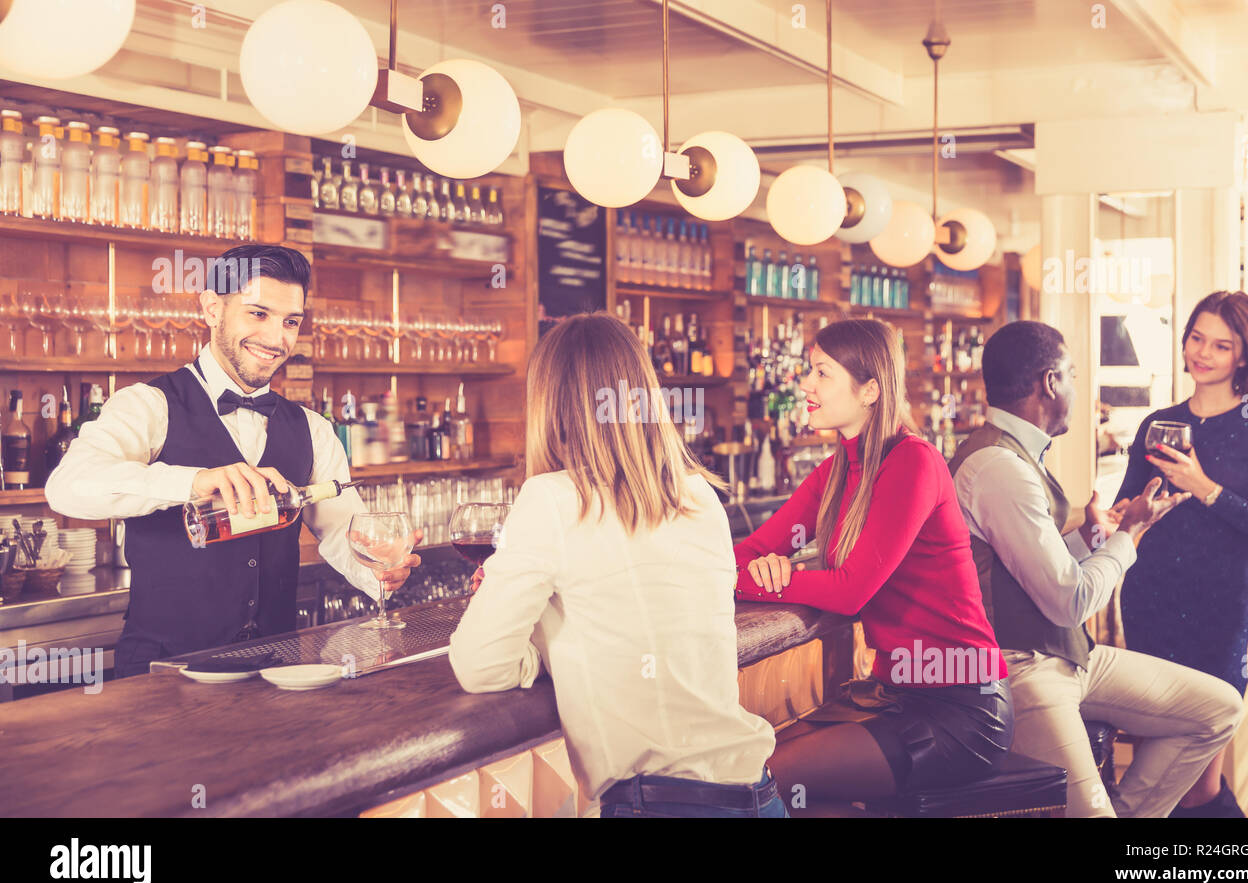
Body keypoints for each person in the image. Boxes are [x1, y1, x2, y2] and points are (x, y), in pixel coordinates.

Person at [448, 312, 782, 818]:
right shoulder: (699, 494)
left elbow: (479, 666)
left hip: (664, 805)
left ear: (548, 405)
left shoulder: (552, 499)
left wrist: (535, 650)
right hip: (757, 796)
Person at [45, 244, 421, 679]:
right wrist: (192, 482)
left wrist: (380, 568)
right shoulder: (147, 405)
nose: (277, 338)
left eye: (291, 321)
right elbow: (68, 487)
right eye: (258, 314)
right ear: (212, 308)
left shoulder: (313, 429)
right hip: (162, 672)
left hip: (278, 669)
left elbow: (343, 532)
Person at [951, 319, 1245, 817]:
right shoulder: (999, 467)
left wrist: (1092, 536)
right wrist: (1129, 538)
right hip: (1020, 669)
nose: (1076, 389)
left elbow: (1026, 565)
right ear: (1050, 382)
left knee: (1219, 708)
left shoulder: (1016, 456)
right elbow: (1070, 601)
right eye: (1071, 375)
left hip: (1069, 657)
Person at [733, 318, 1011, 816]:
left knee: (764, 779)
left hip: (962, 708)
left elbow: (850, 592)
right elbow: (743, 555)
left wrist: (777, 579)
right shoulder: (835, 472)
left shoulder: (914, 463)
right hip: (894, 694)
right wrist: (761, 571)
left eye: (821, 373)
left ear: (870, 390)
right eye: (808, 371)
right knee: (744, 762)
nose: (805, 385)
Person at [1116, 291, 1248, 816]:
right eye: (1197, 338)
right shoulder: (1160, 421)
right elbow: (1128, 504)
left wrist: (1204, 486)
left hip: (1221, 606)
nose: (1204, 352)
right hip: (1150, 597)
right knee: (1155, 765)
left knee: (1197, 776)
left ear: (1243, 355)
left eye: (1221, 345)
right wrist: (1115, 514)